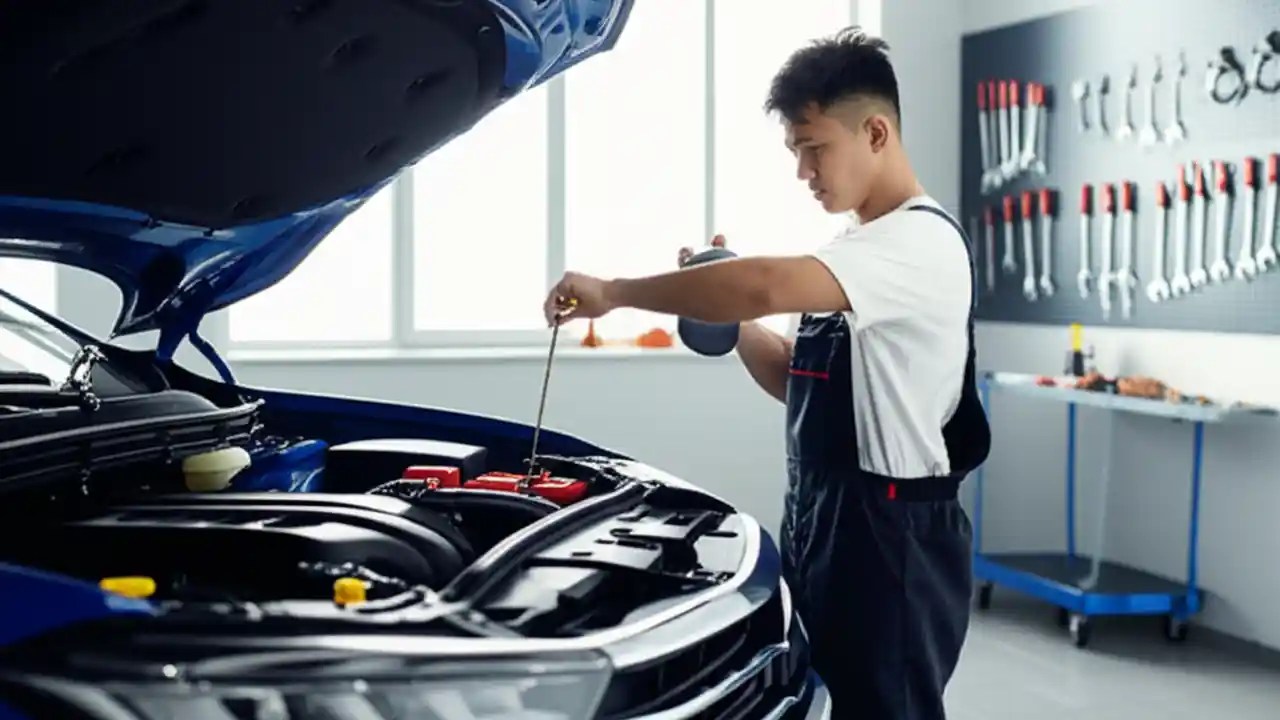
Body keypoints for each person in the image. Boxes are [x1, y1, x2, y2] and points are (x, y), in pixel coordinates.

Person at [542, 26, 991, 720]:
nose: (804, 172)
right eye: (795, 153)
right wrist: (725, 307)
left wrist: (618, 293)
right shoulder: (854, 250)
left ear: (876, 133)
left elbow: (763, 286)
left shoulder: (918, 244)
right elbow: (793, 377)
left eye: (815, 149)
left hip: (892, 542)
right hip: (824, 519)